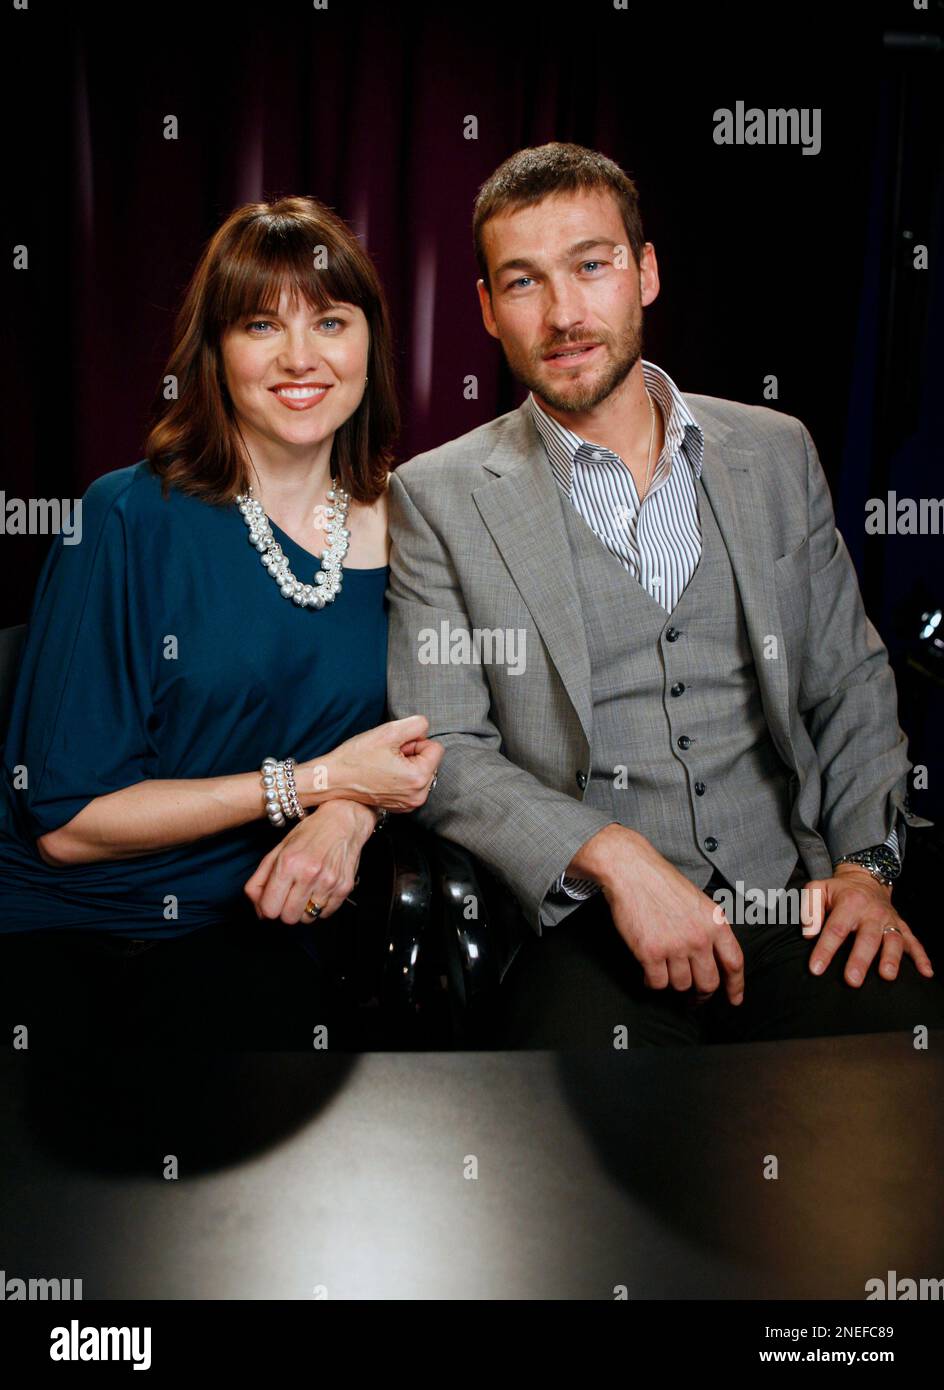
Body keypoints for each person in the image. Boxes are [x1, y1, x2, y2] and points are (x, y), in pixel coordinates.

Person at [385, 141, 944, 1047]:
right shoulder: (436, 495)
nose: (564, 314)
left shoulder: (774, 451)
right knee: (591, 1156)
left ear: (644, 273)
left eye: (592, 266)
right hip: (589, 935)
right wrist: (614, 857)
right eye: (523, 283)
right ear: (488, 310)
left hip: (794, 907)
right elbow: (445, 744)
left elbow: (848, 680)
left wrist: (865, 869)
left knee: (904, 1103)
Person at [0, 195, 443, 1048]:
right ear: (215, 352)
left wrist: (356, 813)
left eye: (331, 322)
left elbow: (441, 734)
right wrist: (318, 785)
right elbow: (64, 826)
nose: (301, 358)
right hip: (64, 925)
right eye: (260, 326)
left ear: (370, 344)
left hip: (253, 930)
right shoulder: (125, 519)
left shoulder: (417, 522)